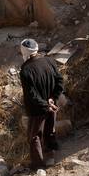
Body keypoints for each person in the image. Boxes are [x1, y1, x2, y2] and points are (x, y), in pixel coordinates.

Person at [18, 38, 63, 169]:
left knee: (34, 137)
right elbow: (60, 81)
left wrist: (45, 105)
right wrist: (53, 99)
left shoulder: (25, 71)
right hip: (51, 104)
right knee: (50, 130)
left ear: (24, 52)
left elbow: (32, 95)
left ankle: (38, 165)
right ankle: (51, 155)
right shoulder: (49, 61)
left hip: (37, 110)